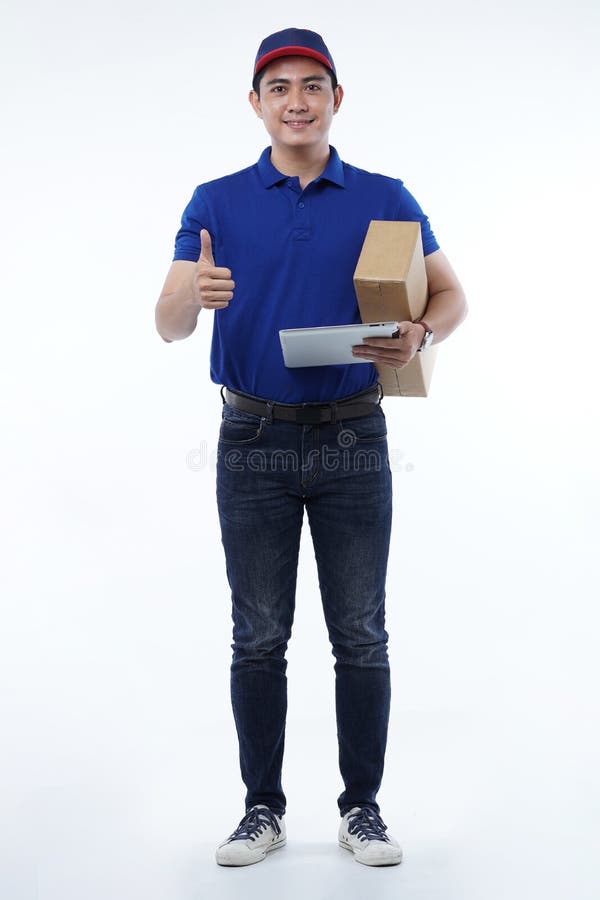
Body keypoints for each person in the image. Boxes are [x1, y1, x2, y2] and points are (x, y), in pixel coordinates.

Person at [155, 27, 467, 868]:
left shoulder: (384, 196)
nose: (297, 101)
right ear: (256, 103)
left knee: (360, 631)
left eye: (313, 86)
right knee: (258, 634)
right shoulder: (215, 202)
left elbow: (450, 295)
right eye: (280, 87)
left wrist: (419, 332)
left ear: (337, 99)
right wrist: (194, 294)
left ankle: (362, 809)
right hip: (250, 438)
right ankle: (261, 810)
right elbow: (168, 324)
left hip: (352, 434)